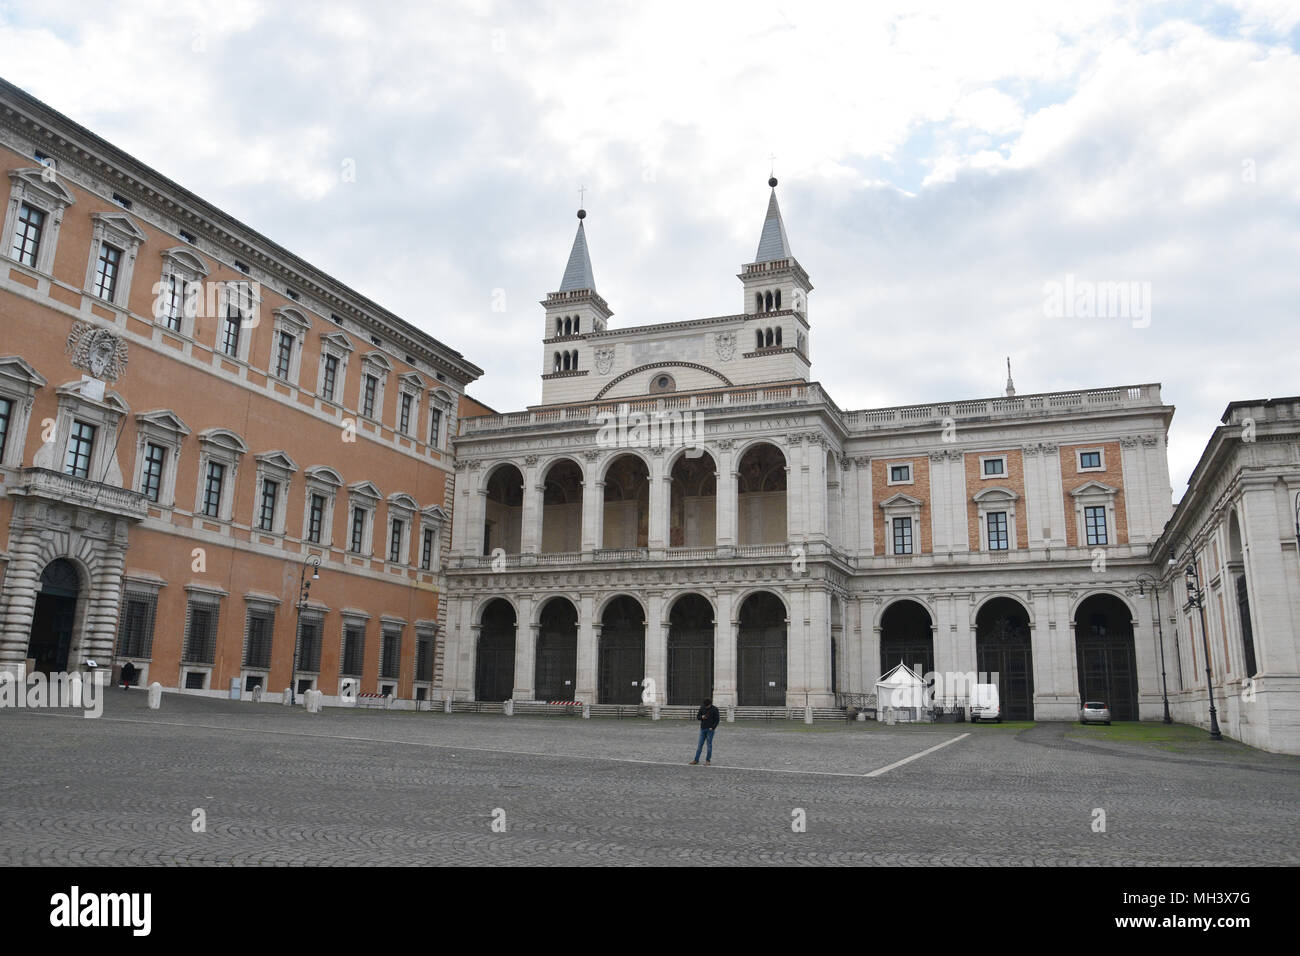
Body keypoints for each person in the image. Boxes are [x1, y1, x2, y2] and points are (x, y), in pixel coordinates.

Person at [691, 698, 720, 765]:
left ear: (710, 704)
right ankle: (696, 760)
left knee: (709, 746)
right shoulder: (702, 707)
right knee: (699, 745)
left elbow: (717, 720)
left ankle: (708, 761)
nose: (706, 707)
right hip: (703, 728)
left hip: (710, 730)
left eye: (707, 706)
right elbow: (698, 717)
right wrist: (702, 717)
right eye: (705, 706)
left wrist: (712, 727)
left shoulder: (715, 709)